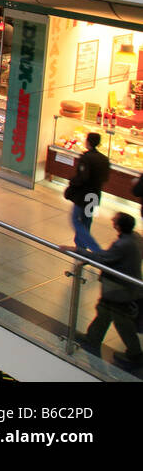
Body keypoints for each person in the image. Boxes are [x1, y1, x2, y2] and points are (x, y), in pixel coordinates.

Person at [68, 212, 143, 370]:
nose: (111, 220)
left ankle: (135, 354)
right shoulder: (135, 238)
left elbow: (102, 259)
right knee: (103, 310)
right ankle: (93, 337)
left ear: (119, 226)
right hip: (126, 287)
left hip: (119, 290)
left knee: (122, 321)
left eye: (114, 220)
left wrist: (78, 250)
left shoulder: (122, 245)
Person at [65, 132, 111, 252]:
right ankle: (81, 248)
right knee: (87, 221)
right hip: (95, 195)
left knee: (76, 220)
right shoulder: (104, 159)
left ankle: (95, 249)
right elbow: (106, 178)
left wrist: (72, 182)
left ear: (88, 142)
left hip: (83, 195)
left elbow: (82, 178)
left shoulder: (86, 158)